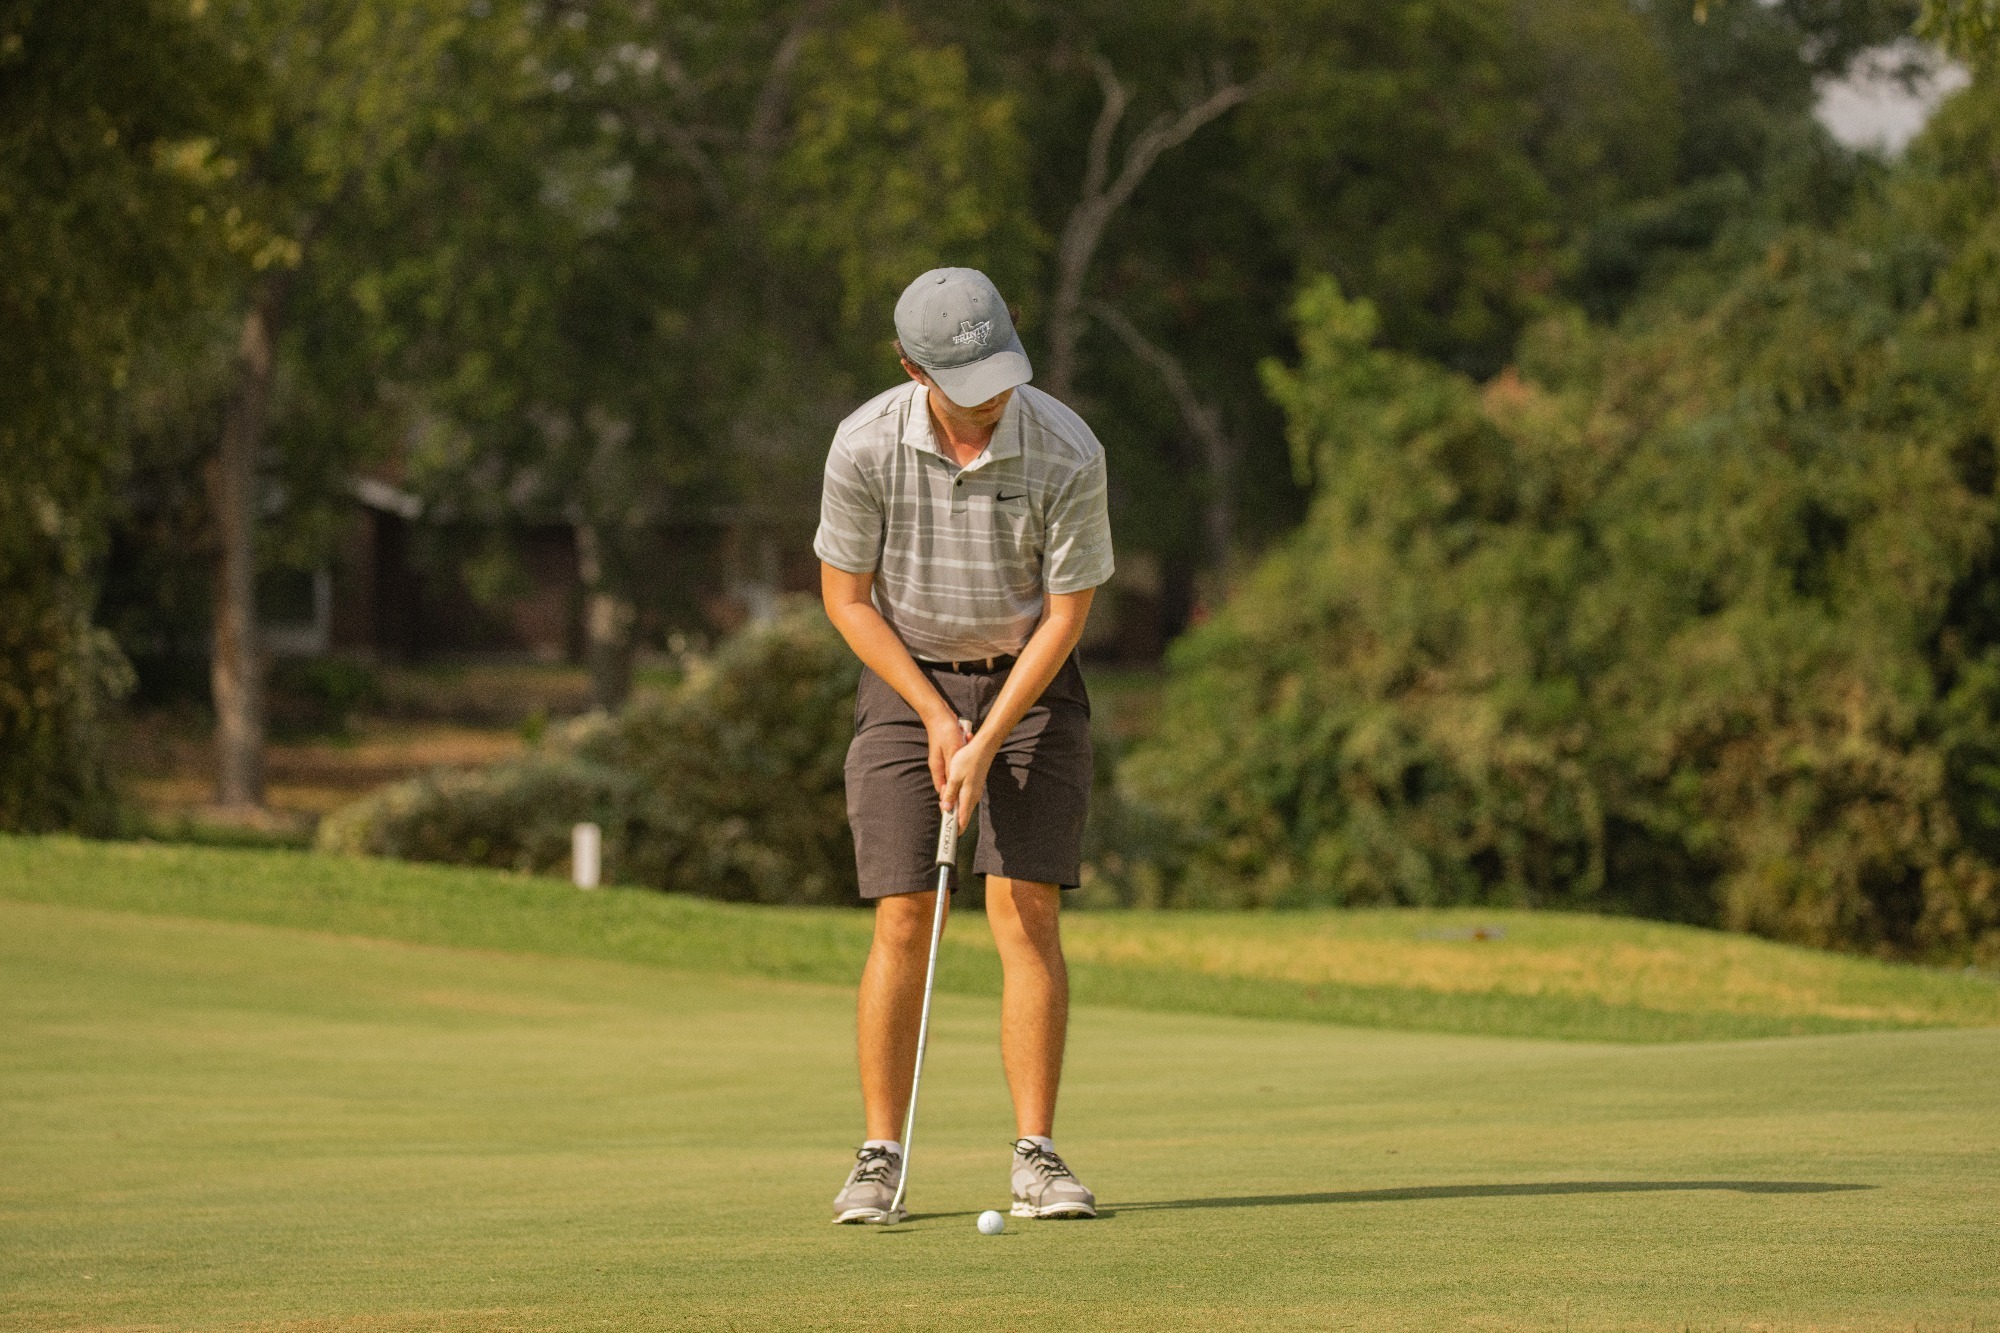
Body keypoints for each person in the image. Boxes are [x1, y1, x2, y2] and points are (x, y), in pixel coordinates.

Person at [817, 267, 1114, 1224]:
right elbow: (847, 601)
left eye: (1000, 374)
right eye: (967, 382)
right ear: (912, 367)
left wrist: (990, 731)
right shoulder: (864, 446)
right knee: (906, 913)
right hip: (909, 677)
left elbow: (1068, 614)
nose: (990, 400)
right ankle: (880, 1156)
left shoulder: (1067, 447)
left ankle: (1035, 1154)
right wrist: (941, 718)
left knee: (1025, 908)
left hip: (1030, 677)